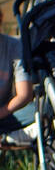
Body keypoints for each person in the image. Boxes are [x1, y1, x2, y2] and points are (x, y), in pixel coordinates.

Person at [0, 11, 36, 146]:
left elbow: (25, 95)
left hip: (7, 112)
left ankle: (7, 136)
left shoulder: (14, 46)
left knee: (38, 111)